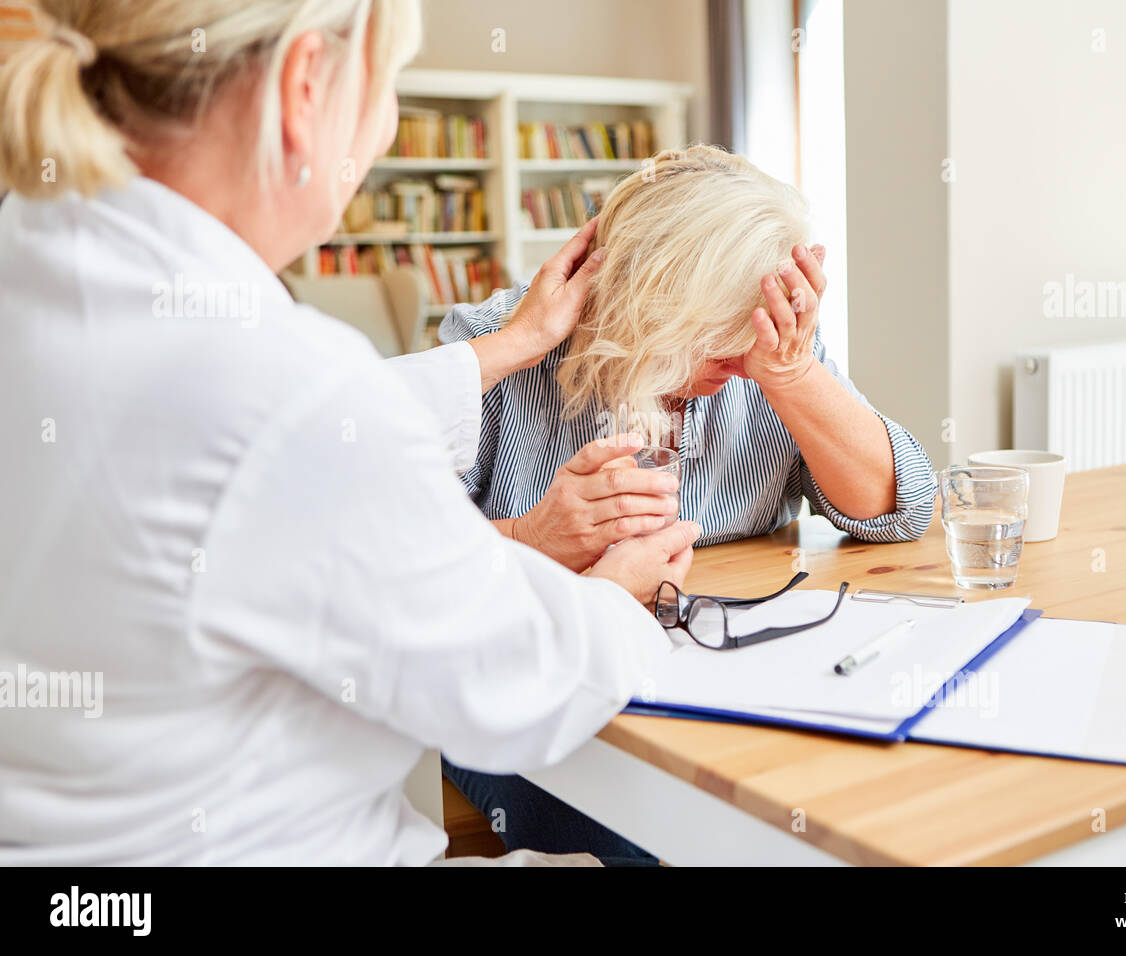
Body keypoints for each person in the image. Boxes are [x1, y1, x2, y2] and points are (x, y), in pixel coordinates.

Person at [0, 0, 697, 866]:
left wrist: (513, 343)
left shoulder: (40, 253)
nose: (387, 120)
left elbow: (290, 444)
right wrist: (619, 598)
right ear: (303, 88)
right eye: (390, 82)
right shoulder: (275, 387)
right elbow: (518, 688)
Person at [439, 145, 939, 860]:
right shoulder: (497, 346)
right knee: (655, 832)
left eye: (750, 340)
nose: (740, 368)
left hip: (726, 677)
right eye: (716, 344)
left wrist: (792, 376)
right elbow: (396, 570)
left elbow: (900, 507)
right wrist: (533, 537)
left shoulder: (771, 346)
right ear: (650, 304)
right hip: (538, 691)